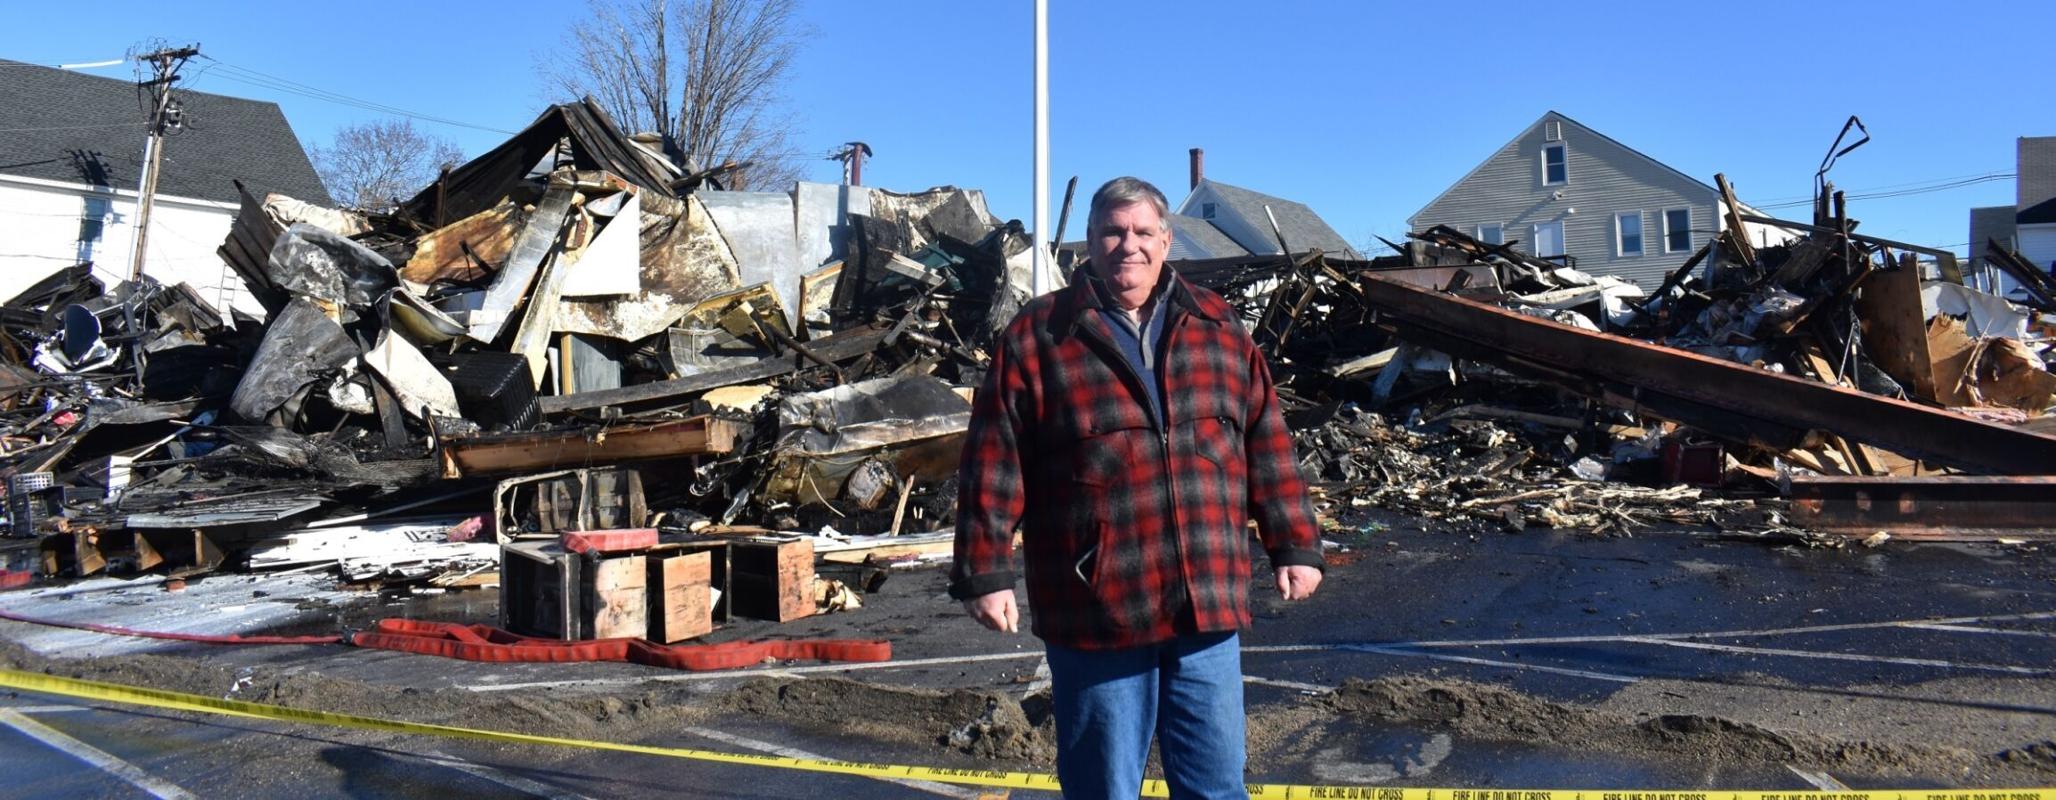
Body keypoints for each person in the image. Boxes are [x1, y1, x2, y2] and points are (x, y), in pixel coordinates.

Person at [951, 176, 1324, 798]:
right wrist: (985, 573)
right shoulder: (1040, 337)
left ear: (1166, 240)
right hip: (1098, 603)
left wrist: (1295, 544)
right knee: (1104, 788)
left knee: (1215, 787)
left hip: (1206, 602)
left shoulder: (1219, 328)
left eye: (1143, 232)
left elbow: (1265, 441)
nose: (1129, 245)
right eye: (1113, 232)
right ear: (1089, 244)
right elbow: (993, 460)